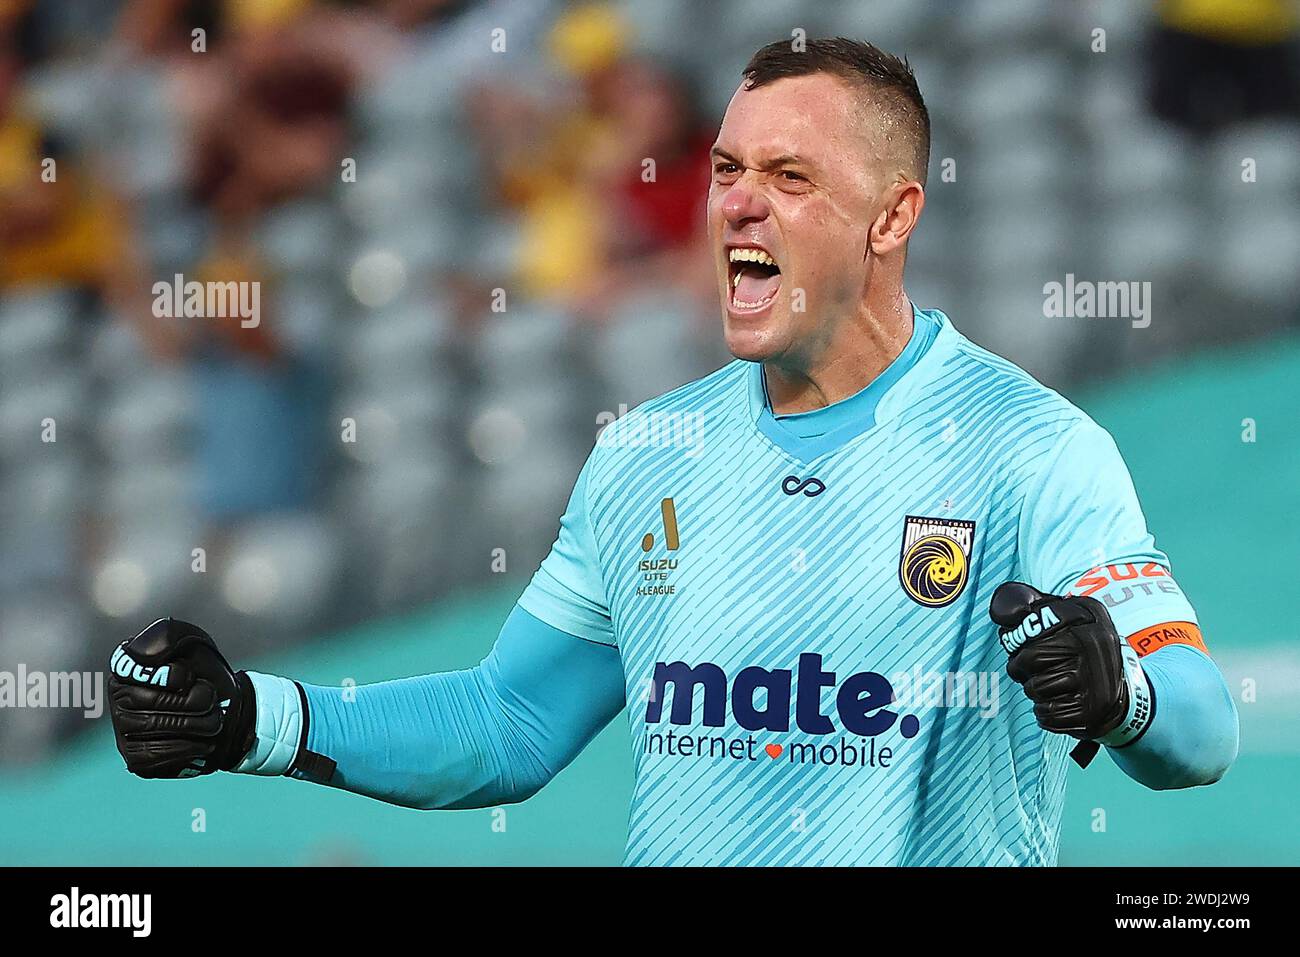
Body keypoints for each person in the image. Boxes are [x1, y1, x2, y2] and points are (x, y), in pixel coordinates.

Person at [107, 38, 1238, 866]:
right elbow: (510, 722)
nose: (739, 207)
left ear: (891, 219)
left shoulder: (1029, 448)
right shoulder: (649, 454)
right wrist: (251, 720)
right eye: (727, 170)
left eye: (790, 179)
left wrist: (1121, 693)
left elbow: (1202, 729)